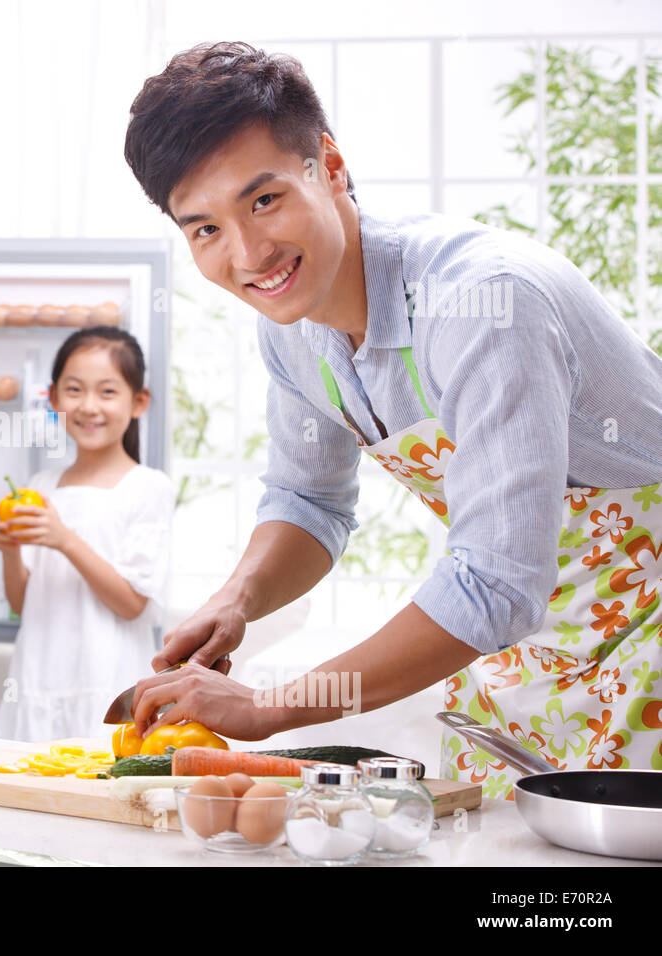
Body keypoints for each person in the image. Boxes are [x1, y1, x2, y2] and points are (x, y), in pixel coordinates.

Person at [123, 42, 662, 798]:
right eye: (205, 229)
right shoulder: (291, 326)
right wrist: (234, 602)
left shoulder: (483, 306)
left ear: (330, 166)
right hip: (531, 656)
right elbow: (310, 503)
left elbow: (498, 582)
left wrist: (273, 707)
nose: (249, 253)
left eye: (264, 199)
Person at [0, 327, 176, 743]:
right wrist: (8, 551)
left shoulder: (147, 486)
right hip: (36, 675)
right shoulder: (43, 483)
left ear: (138, 402)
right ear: (54, 398)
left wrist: (65, 540)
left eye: (107, 392)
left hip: (105, 679)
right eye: (74, 390)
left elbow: (131, 603)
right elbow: (24, 604)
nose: (89, 406)